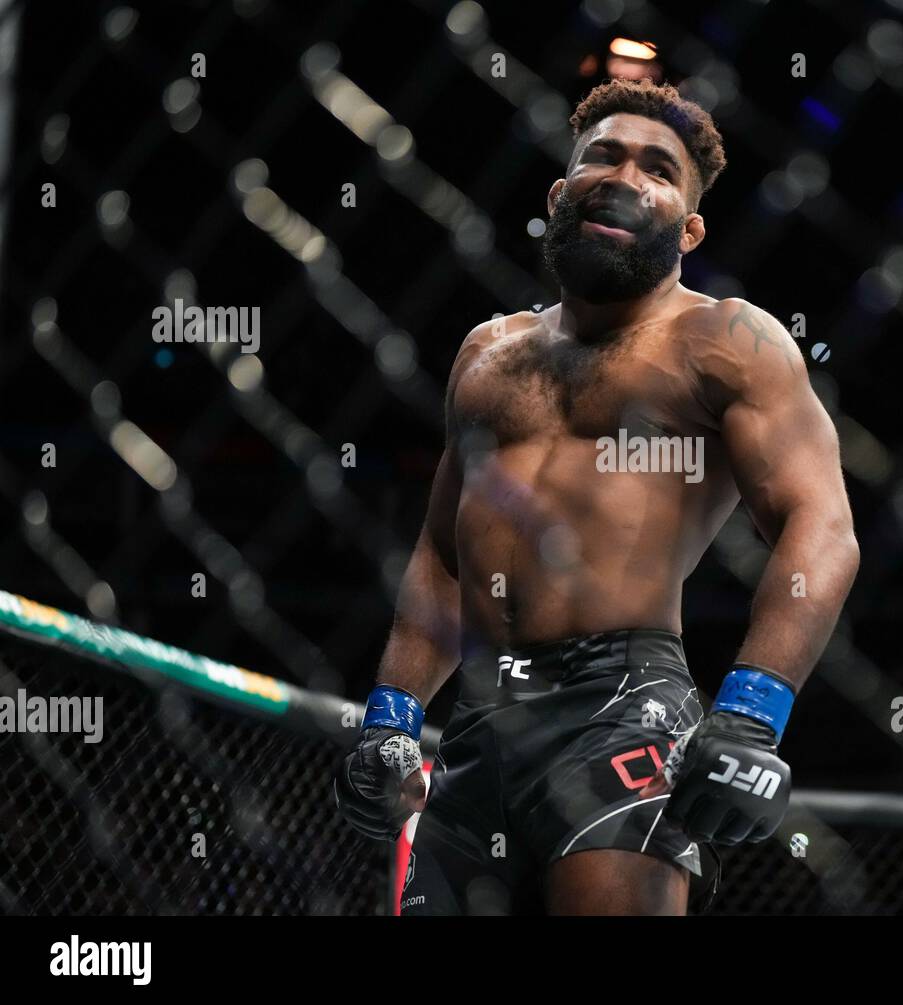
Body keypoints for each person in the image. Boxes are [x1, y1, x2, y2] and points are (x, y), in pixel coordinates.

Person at [335, 78, 858, 915]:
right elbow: (441, 551)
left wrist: (753, 710)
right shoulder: (488, 351)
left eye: (658, 168)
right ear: (560, 190)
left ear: (690, 226)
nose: (623, 175)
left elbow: (821, 523)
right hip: (480, 717)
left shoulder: (728, 340)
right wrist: (392, 717)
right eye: (603, 155)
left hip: (625, 704)